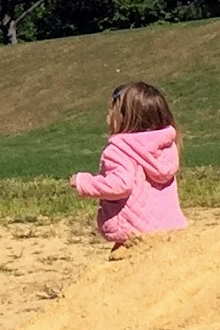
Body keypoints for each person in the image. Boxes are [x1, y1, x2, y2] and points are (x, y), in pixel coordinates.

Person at [71, 81, 187, 247]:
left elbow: (120, 185)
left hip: (133, 234)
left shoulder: (119, 150)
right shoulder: (166, 147)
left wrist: (83, 182)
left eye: (111, 110)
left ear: (123, 116)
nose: (107, 115)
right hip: (170, 231)